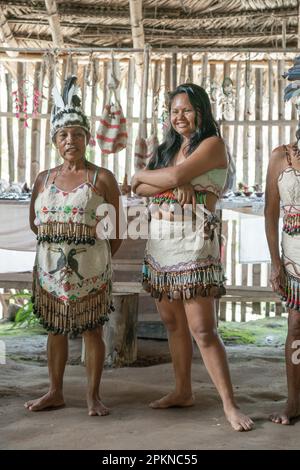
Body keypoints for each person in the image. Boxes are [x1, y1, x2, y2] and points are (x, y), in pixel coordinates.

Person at [132, 83, 253, 431]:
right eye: (174, 111)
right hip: (160, 243)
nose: (179, 117)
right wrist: (165, 183)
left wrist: (146, 176)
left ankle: (230, 406)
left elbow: (155, 179)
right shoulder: (168, 147)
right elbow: (138, 189)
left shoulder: (212, 145)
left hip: (195, 243)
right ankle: (182, 390)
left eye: (186, 110)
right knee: (172, 325)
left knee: (203, 329)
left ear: (201, 111)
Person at [25, 76, 123, 416]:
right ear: (55, 140)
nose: (71, 140)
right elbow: (34, 223)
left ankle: (92, 397)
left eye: (78, 134)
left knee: (92, 329)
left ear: (88, 138)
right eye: (64, 135)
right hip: (50, 271)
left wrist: (97, 261)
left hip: (91, 271)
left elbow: (117, 232)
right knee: (55, 328)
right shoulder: (44, 179)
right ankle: (55, 392)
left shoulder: (102, 179)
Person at [265, 57, 300, 424]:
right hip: (294, 261)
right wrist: (275, 262)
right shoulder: (281, 156)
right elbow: (270, 212)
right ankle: (294, 401)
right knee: (296, 328)